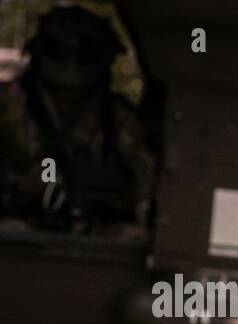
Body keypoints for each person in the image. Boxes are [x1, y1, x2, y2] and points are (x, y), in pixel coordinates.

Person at [0, 5, 155, 234]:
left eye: (85, 51)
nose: (69, 64)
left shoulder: (118, 119)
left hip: (96, 238)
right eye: (56, 49)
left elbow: (147, 184)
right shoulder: (9, 108)